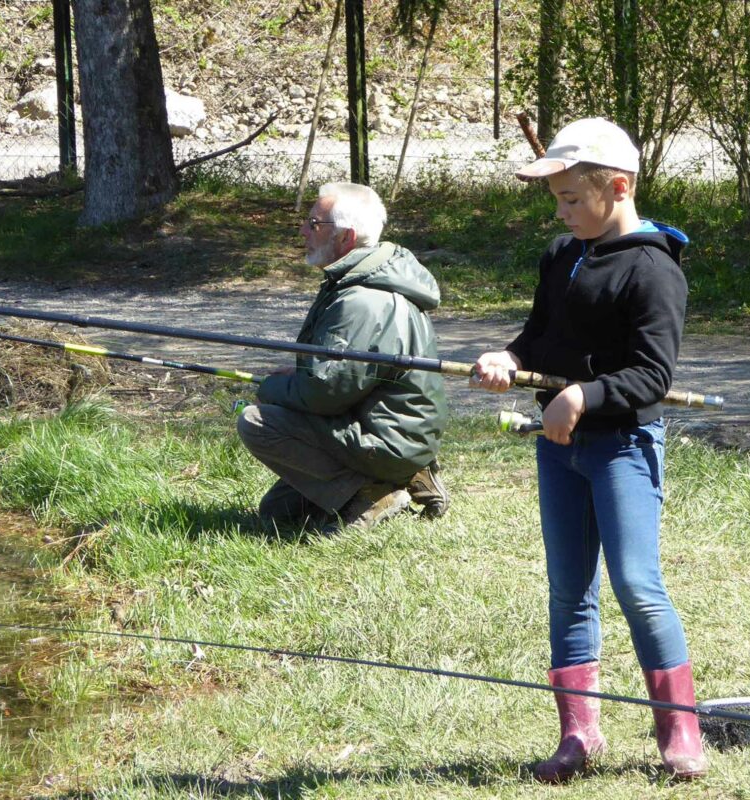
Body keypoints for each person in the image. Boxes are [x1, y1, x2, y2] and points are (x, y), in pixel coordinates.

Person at [474, 118, 708, 782]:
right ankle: (580, 733)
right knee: (568, 591)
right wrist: (505, 358)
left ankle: (679, 736)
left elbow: (652, 375)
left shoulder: (654, 267)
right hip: (560, 452)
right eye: (558, 201)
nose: (562, 211)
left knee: (637, 584)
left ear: (620, 187)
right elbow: (537, 339)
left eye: (573, 199)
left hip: (622, 448)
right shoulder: (561, 254)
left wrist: (582, 397)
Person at [238, 182, 449, 532]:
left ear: (345, 238)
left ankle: (375, 491)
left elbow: (325, 392)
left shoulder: (362, 300)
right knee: (278, 511)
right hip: (390, 430)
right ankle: (408, 475)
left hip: (388, 439)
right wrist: (298, 374)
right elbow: (343, 374)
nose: (303, 231)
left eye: (314, 224)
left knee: (256, 422)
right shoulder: (362, 280)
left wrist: (272, 387)